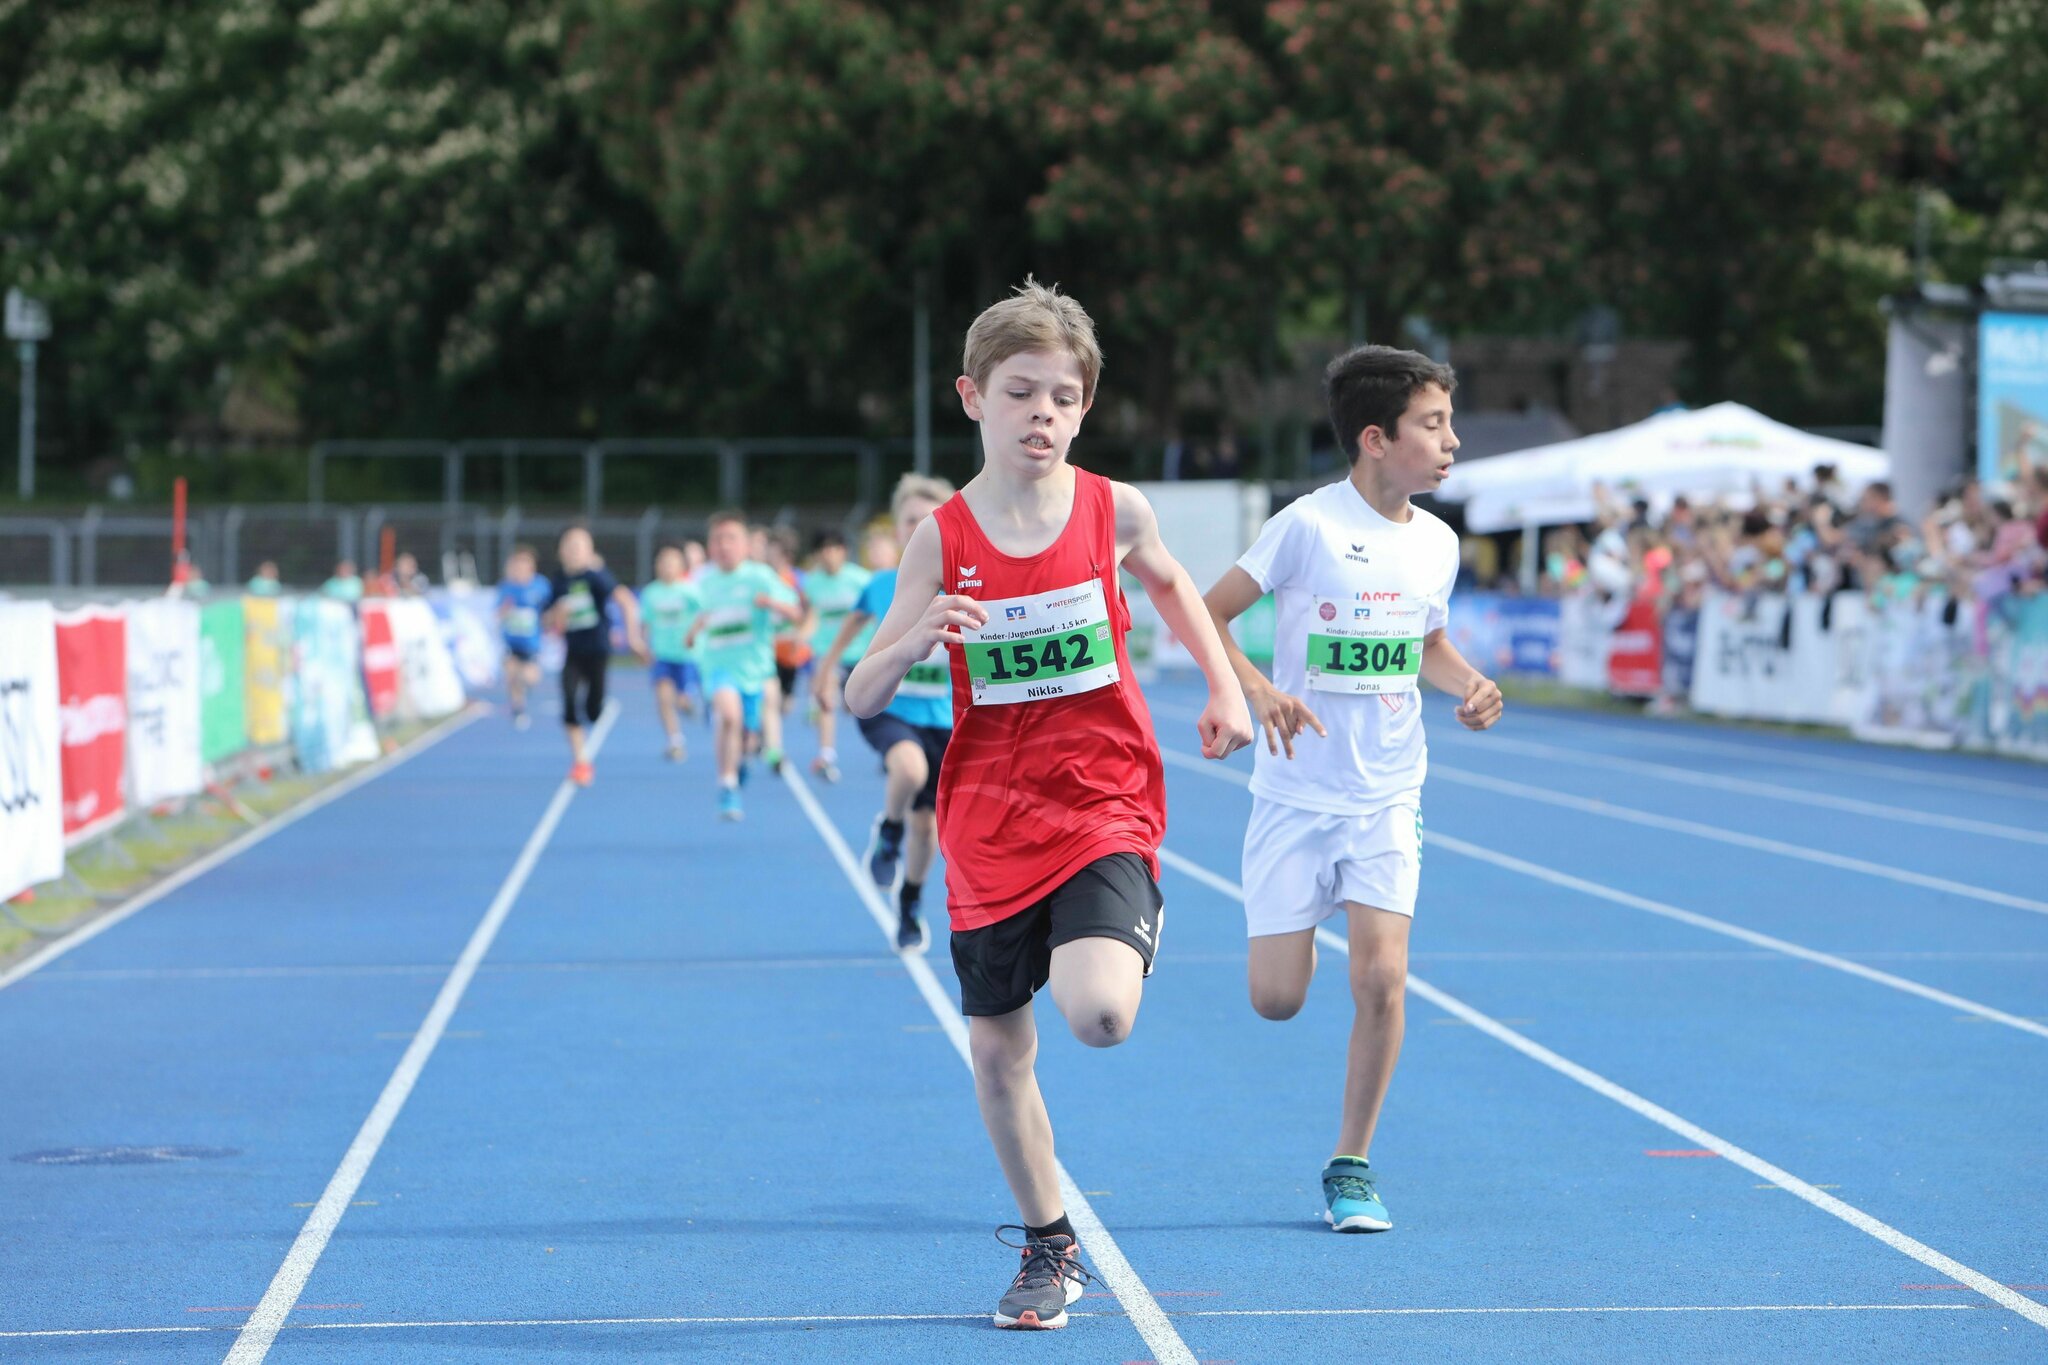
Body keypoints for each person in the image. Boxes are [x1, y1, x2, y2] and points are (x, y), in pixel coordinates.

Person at [845, 279, 1253, 1331]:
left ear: (1082, 408)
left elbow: (1169, 586)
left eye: (1062, 397)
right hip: (984, 820)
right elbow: (858, 692)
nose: (1041, 414)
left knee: (1102, 1015)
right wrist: (916, 633)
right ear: (971, 397)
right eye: (1020, 391)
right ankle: (1048, 1246)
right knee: (997, 1054)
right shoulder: (941, 537)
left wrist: (1222, 685)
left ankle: (1133, 901)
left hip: (1100, 802)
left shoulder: (1117, 509)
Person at [1200, 345, 1503, 1236]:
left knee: (1382, 978)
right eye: (1434, 425)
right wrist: (1255, 690)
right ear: (1376, 438)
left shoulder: (1438, 541)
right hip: (1296, 800)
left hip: (1386, 795)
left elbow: (1426, 646)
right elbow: (1208, 611)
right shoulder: (1305, 526)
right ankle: (1301, 915)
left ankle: (1351, 1164)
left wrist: (1471, 684)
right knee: (1278, 998)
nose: (1453, 441)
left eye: (1449, 422)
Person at [814, 476, 955, 949]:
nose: (919, 528)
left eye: (929, 519)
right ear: (897, 531)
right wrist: (826, 671)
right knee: (908, 769)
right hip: (890, 706)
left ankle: (910, 901)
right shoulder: (879, 586)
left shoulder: (968, 583)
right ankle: (888, 828)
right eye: (910, 521)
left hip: (947, 720)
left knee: (929, 826)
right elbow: (847, 628)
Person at [687, 510, 803, 821]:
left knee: (748, 737)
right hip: (717, 668)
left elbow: (795, 612)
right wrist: (693, 631)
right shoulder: (701, 581)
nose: (724, 545)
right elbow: (692, 616)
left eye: (731, 538)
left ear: (746, 545)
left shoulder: (760, 577)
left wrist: (773, 604)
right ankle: (726, 785)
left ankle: (738, 763)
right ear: (710, 546)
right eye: (717, 539)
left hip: (755, 672)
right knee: (729, 715)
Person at [544, 527, 647, 786]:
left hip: (598, 651)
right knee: (568, 702)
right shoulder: (558, 582)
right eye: (569, 546)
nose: (574, 552)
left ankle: (593, 715)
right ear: (561, 552)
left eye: (580, 547)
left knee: (593, 711)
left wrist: (633, 637)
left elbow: (626, 601)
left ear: (589, 551)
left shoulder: (596, 577)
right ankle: (581, 762)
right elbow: (546, 622)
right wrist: (556, 614)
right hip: (573, 653)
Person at [801, 529, 873, 782]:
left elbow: (875, 614)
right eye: (824, 550)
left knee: (859, 706)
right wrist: (802, 636)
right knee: (826, 698)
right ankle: (826, 755)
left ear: (844, 552)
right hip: (829, 654)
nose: (829, 555)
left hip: (862, 654)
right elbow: (810, 617)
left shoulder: (861, 580)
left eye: (834, 549)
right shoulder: (812, 583)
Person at [641, 545, 702, 761]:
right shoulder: (651, 593)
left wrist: (694, 633)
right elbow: (646, 622)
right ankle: (675, 741)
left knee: (682, 700)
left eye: (672, 562)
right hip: (663, 655)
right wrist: (644, 646)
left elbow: (705, 614)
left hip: (686, 656)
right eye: (662, 562)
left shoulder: (690, 590)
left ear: (681, 566)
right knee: (663, 698)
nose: (666, 567)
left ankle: (689, 703)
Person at [495, 545, 552, 730]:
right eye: (516, 564)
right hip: (511, 643)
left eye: (524, 564)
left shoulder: (540, 586)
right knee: (511, 675)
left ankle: (524, 690)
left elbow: (549, 609)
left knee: (528, 678)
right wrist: (504, 611)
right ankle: (518, 708)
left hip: (531, 645)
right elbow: (498, 614)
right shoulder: (506, 587)